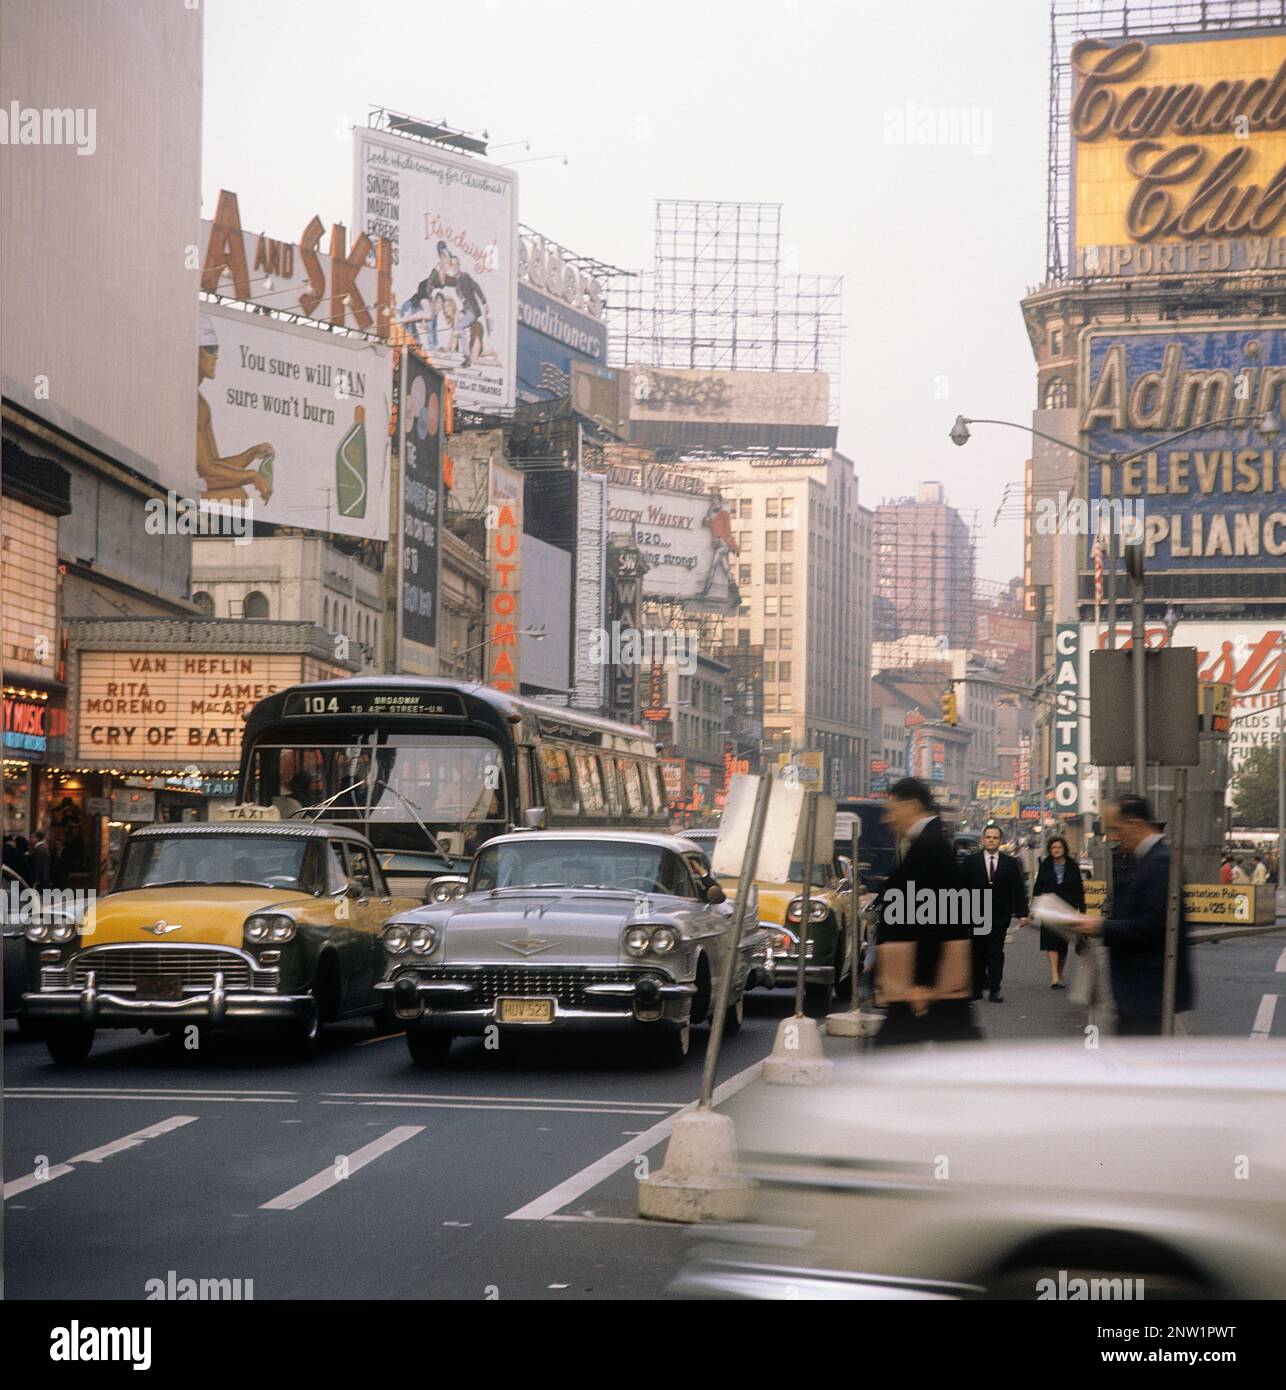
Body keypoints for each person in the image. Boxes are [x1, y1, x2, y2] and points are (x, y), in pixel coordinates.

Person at [1072, 794, 1193, 1037]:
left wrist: (1100, 926)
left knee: (1143, 1067)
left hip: (1148, 995)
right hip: (1140, 995)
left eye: (1117, 829)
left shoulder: (1160, 863)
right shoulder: (1147, 860)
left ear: (1136, 824)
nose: (1114, 837)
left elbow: (1155, 927)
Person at [870, 777, 979, 1047]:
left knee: (895, 1054)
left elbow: (940, 914)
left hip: (920, 975)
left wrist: (922, 983)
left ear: (912, 806)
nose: (888, 819)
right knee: (953, 1046)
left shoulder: (930, 845)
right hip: (920, 977)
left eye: (892, 809)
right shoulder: (928, 841)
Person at [961, 825, 1029, 1002]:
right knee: (978, 952)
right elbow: (961, 888)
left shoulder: (1010, 863)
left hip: (1000, 915)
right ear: (983, 840)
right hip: (976, 914)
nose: (991, 840)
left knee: (996, 952)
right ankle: (976, 988)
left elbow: (1018, 889)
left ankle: (995, 989)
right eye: (988, 837)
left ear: (1000, 840)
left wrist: (1022, 913)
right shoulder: (971, 862)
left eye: (995, 837)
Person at [1031, 834, 1085, 988]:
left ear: (1064, 849)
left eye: (1059, 847)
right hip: (1049, 907)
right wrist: (1034, 907)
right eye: (1053, 847)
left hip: (1067, 908)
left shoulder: (1073, 866)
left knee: (1062, 944)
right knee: (1050, 942)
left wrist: (1082, 910)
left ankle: (1060, 974)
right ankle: (1054, 975)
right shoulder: (1045, 864)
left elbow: (1079, 889)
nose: (1056, 850)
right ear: (1050, 849)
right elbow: (1038, 886)